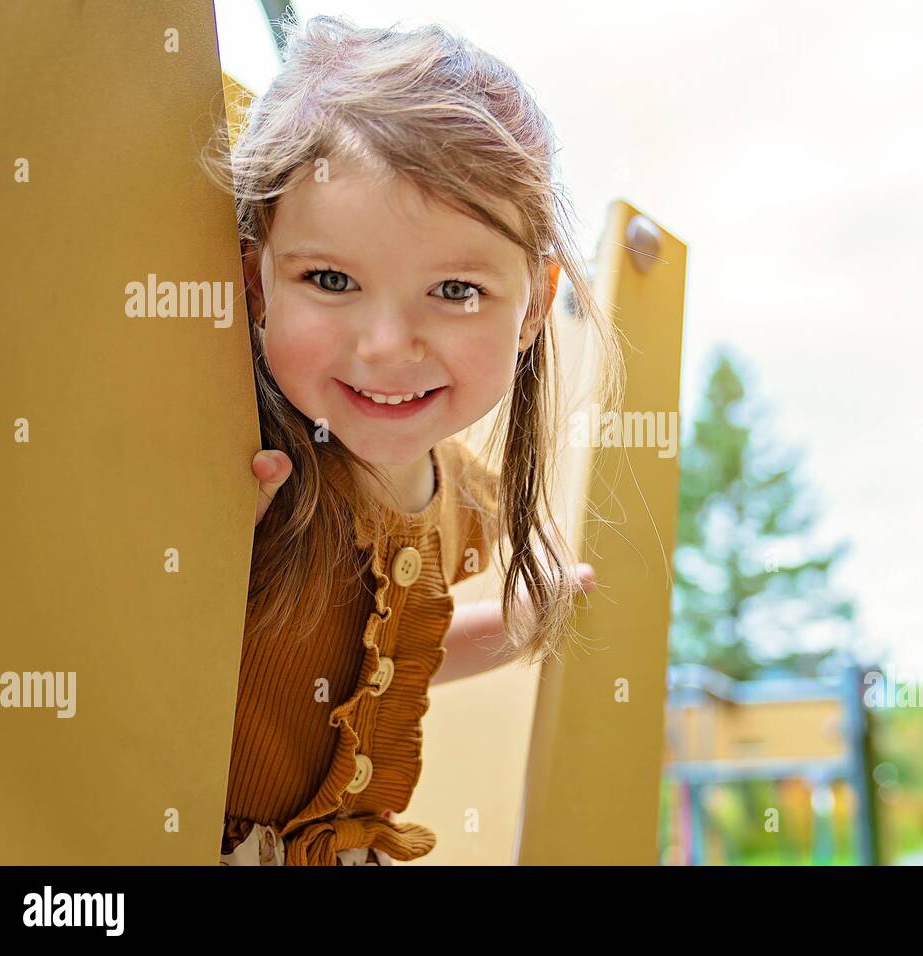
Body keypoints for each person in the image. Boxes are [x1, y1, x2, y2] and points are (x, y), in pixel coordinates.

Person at [203, 14, 623, 865]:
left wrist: (511, 626)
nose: (388, 344)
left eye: (456, 290)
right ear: (257, 281)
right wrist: (200, 535)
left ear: (533, 309)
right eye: (330, 279)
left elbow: (390, 661)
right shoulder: (240, 452)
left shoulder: (462, 498)